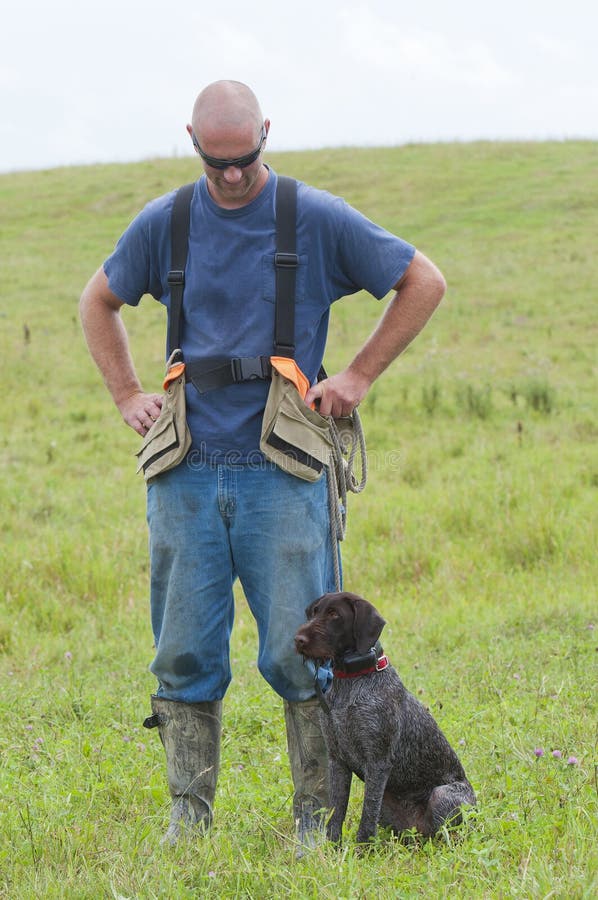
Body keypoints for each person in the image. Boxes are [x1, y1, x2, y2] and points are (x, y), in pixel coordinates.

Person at [79, 80, 446, 852]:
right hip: (184, 472)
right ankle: (189, 820)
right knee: (181, 651)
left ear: (265, 135)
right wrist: (125, 394)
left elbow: (424, 280)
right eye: (217, 164)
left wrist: (358, 374)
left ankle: (316, 823)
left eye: (245, 159)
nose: (234, 176)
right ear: (192, 142)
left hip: (282, 472)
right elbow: (97, 300)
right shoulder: (168, 221)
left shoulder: (312, 217)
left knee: (302, 652)